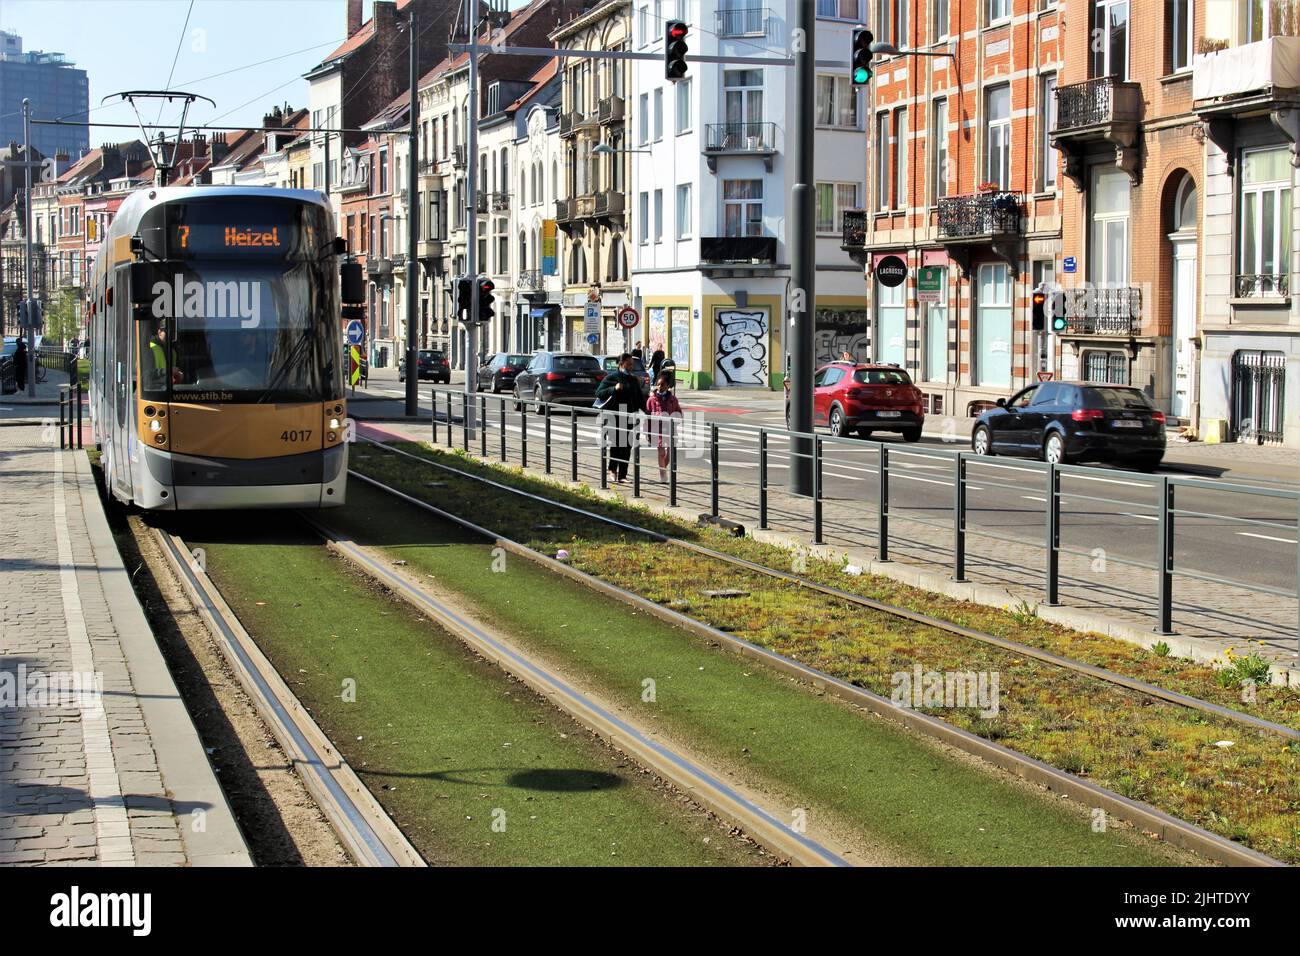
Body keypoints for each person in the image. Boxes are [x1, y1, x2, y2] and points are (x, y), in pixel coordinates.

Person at [594, 352, 646, 484]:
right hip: (614, 416)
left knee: (627, 446)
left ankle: (623, 475)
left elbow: (640, 398)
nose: (631, 367)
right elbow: (599, 393)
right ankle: (612, 470)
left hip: (630, 416)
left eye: (632, 365)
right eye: (628, 364)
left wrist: (648, 412)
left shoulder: (633, 380)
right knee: (616, 445)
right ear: (621, 364)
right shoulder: (611, 377)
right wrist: (613, 389)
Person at [645, 372, 682, 483]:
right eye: (659, 384)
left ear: (668, 386)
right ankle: (663, 475)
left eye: (662, 385)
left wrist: (676, 419)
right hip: (657, 430)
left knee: (669, 454)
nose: (660, 387)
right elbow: (647, 416)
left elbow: (679, 413)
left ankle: (663, 468)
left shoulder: (673, 399)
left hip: (670, 429)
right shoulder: (651, 400)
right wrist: (648, 432)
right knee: (661, 453)